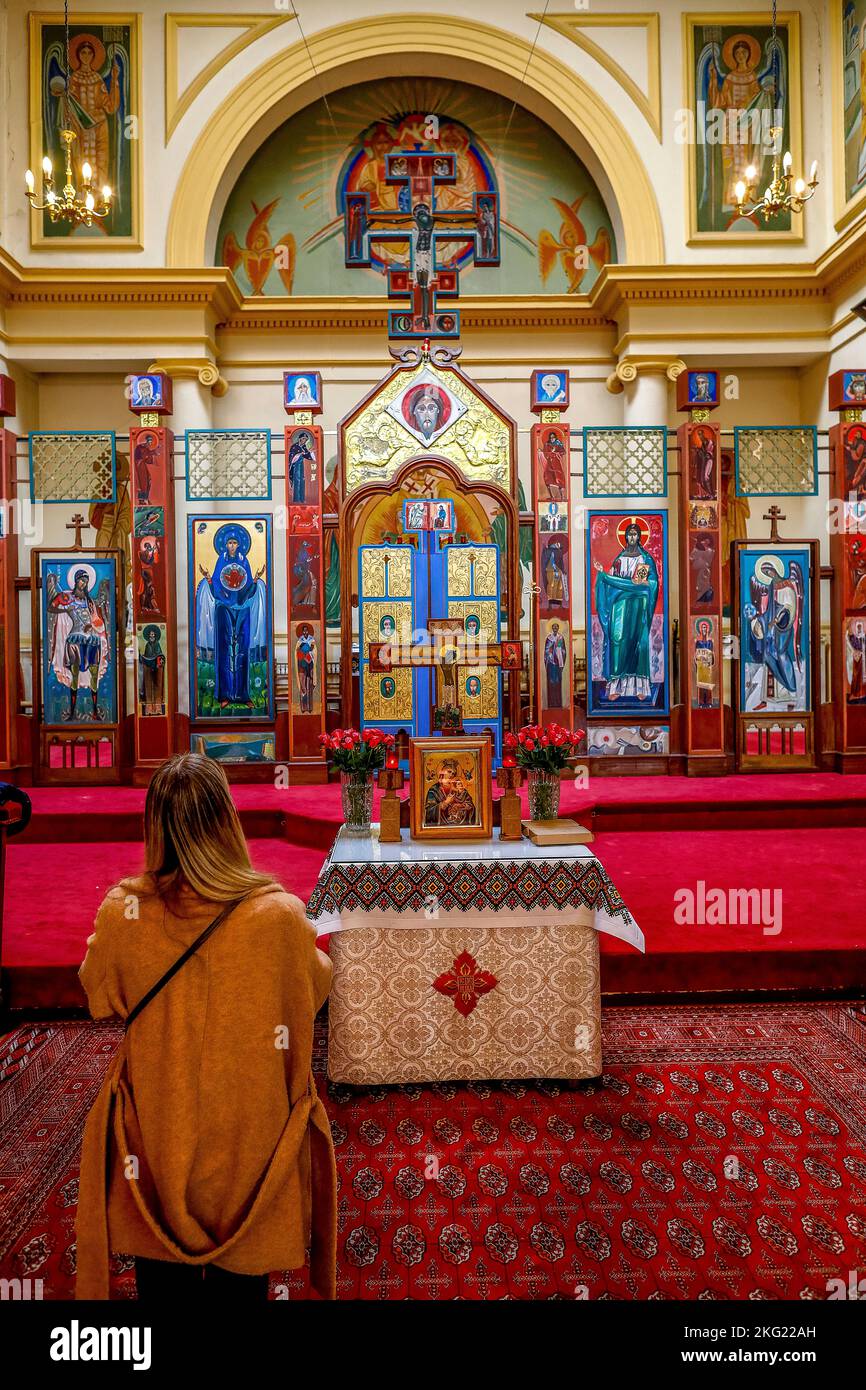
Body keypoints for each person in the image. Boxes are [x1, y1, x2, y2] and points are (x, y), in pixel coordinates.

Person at [75, 753, 336, 1302]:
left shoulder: (124, 912)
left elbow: (99, 993)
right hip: (250, 1140)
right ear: (227, 821)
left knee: (161, 1285)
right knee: (240, 1290)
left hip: (160, 1133)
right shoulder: (281, 918)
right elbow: (312, 991)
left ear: (156, 826)